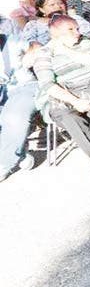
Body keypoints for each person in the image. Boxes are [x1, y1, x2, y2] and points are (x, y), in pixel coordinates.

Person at [33, 16, 90, 177]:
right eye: (71, 29)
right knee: (70, 118)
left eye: (77, 28)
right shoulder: (43, 53)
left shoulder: (85, 42)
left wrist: (64, 49)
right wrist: (76, 101)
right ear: (55, 33)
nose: (77, 32)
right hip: (64, 98)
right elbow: (48, 85)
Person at [0, 15, 37, 182]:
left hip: (23, 87)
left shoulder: (10, 41)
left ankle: (4, 164)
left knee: (14, 114)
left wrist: (32, 51)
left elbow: (36, 45)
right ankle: (18, 152)